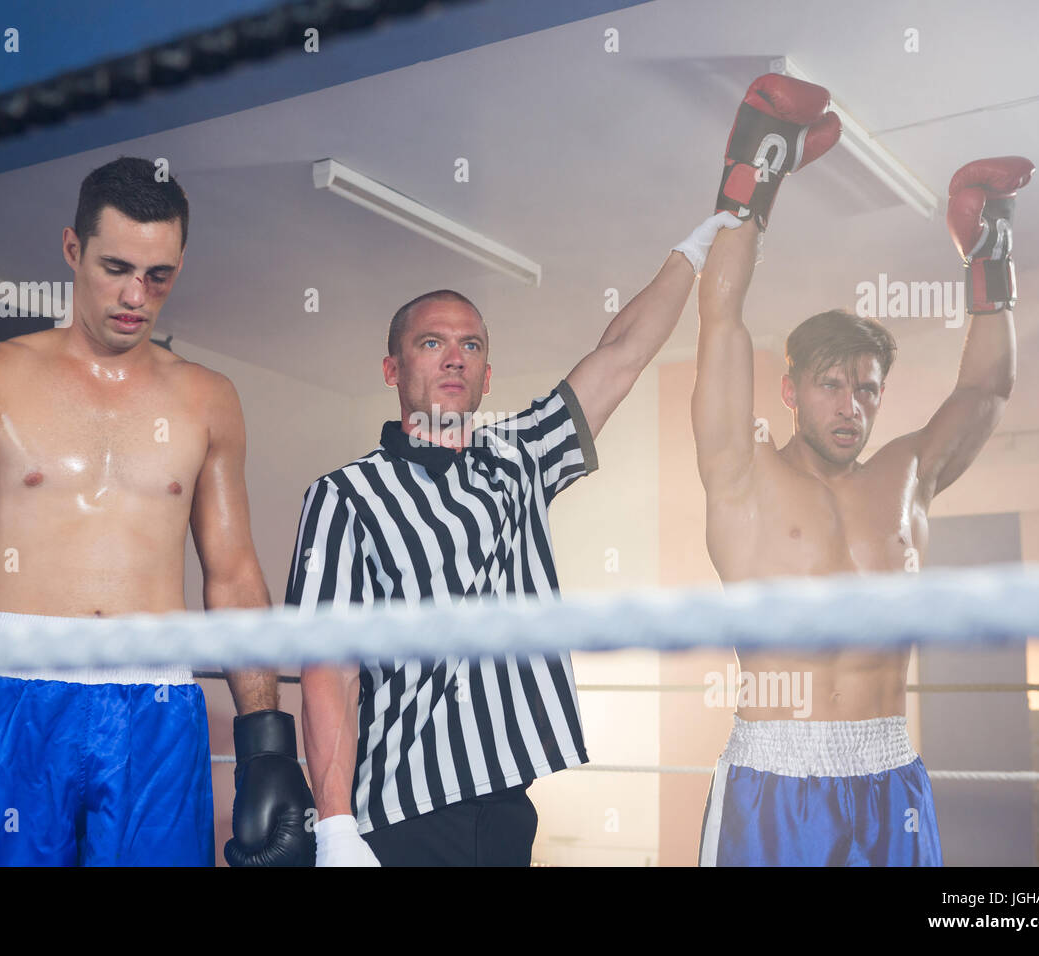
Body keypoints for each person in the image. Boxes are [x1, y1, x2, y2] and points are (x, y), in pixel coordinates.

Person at [0, 157, 314, 867]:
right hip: (8, 702)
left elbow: (234, 575)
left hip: (156, 708)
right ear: (71, 249)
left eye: (158, 276)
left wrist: (267, 740)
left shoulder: (210, 398)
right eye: (115, 267)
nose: (135, 296)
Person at [290, 191, 741, 864]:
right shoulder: (345, 496)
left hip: (505, 809)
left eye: (470, 345)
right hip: (397, 813)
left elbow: (621, 353)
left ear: (487, 374)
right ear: (393, 369)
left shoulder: (521, 457)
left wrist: (691, 253)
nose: (453, 358)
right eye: (431, 343)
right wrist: (333, 826)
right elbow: (330, 669)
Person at [692, 74, 1032, 865]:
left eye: (867, 390)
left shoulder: (906, 477)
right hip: (776, 785)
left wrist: (990, 258)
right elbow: (721, 316)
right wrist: (755, 177)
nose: (852, 406)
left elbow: (986, 388)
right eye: (832, 384)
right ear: (791, 390)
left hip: (891, 778)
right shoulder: (742, 477)